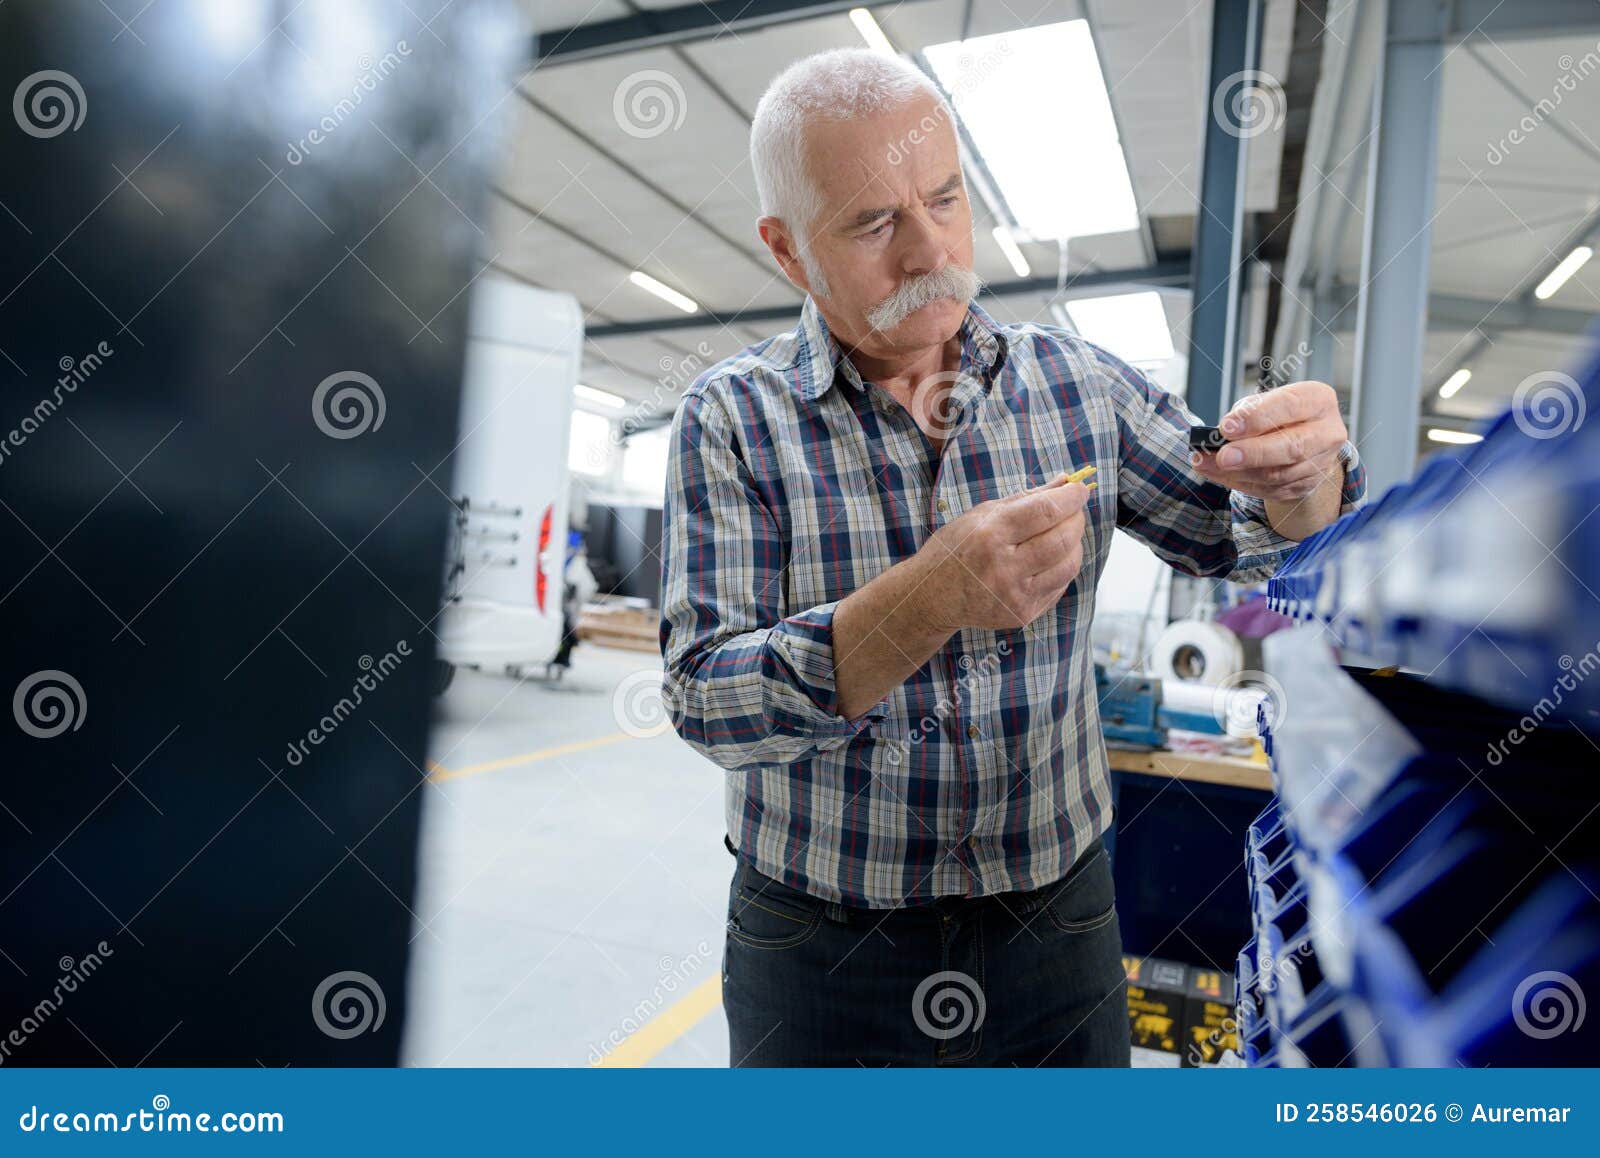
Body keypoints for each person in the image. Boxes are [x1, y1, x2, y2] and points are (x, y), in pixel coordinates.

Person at [659, 48, 1363, 1066]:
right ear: (787, 251)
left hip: (1054, 931)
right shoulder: (732, 418)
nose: (926, 251)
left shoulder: (1079, 387)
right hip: (818, 946)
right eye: (871, 223)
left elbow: (1243, 537)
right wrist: (927, 595)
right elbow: (703, 698)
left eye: (943, 200)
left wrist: (1308, 485)